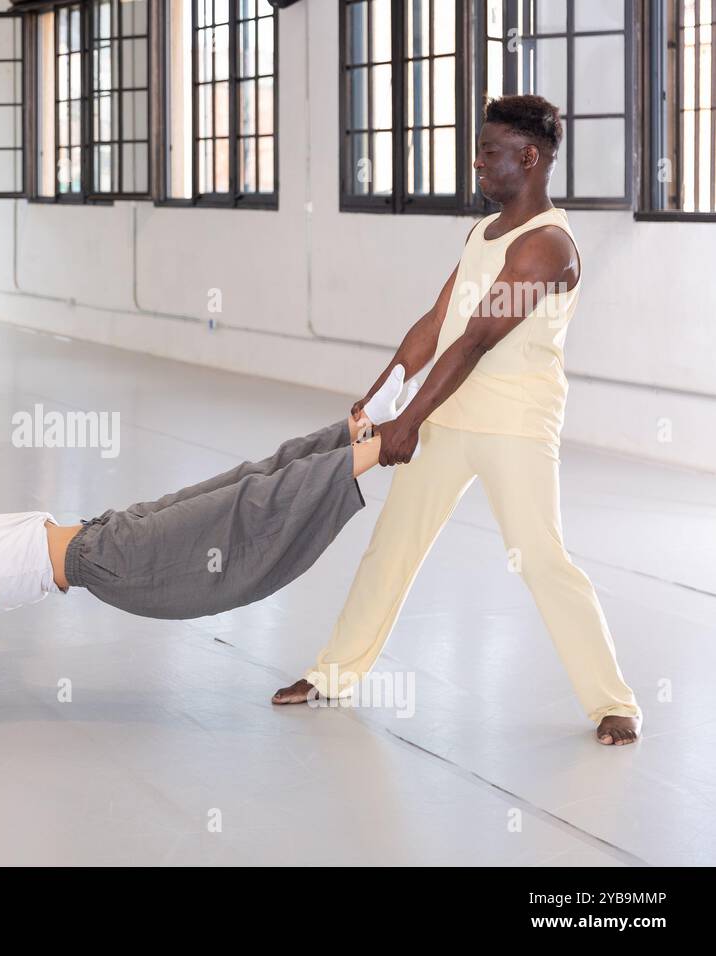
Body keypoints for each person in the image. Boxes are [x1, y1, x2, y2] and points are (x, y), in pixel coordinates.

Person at [272, 95, 642, 746]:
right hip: (450, 408)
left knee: (541, 559)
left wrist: (407, 423)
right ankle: (333, 674)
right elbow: (438, 324)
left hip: (515, 425)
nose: (477, 163)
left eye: (490, 152)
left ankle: (613, 703)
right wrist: (377, 397)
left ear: (530, 158)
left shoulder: (547, 248)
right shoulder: (483, 234)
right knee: (394, 544)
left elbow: (474, 340)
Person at [0, 372, 418, 683]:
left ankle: (358, 429)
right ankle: (387, 445)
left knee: (242, 480)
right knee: (246, 508)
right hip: (114, 561)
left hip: (109, 532)